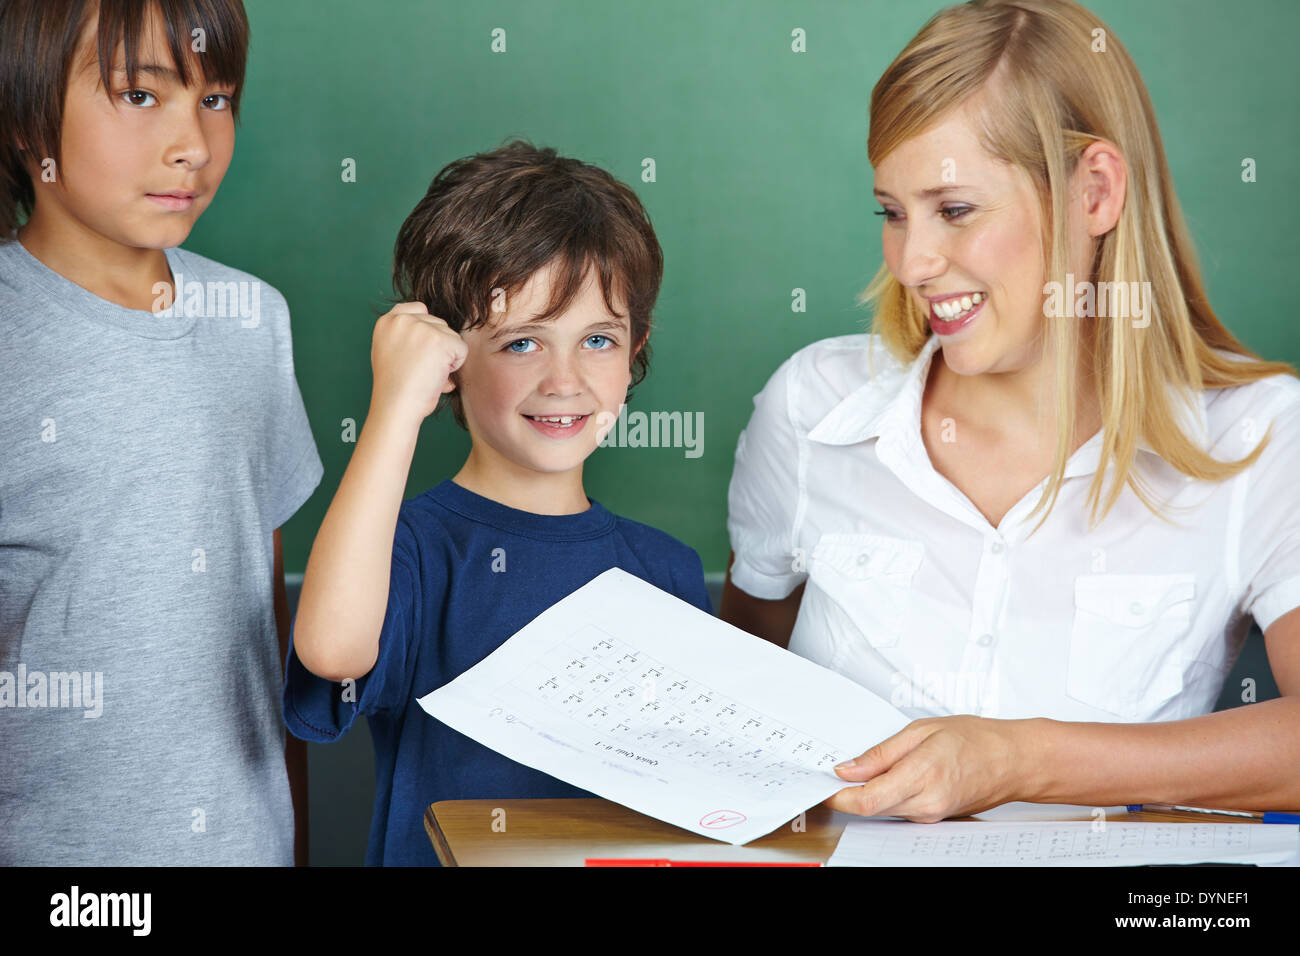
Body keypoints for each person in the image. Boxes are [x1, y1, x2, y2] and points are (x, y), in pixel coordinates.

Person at [721, 0, 1300, 822]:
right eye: (891, 212)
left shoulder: (1257, 436)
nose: (913, 261)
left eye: (955, 209)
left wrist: (1017, 756)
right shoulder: (813, 409)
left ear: (1095, 193)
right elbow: (740, 680)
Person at [282, 140, 713, 866]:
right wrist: (394, 405)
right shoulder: (415, 551)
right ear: (448, 359)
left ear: (636, 349)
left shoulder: (667, 570)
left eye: (599, 339)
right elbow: (331, 650)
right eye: (522, 345)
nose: (565, 380)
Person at [0, 0, 321, 863]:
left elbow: (265, 607)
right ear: (28, 117)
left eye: (215, 99)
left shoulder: (254, 321)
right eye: (140, 96)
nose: (194, 144)